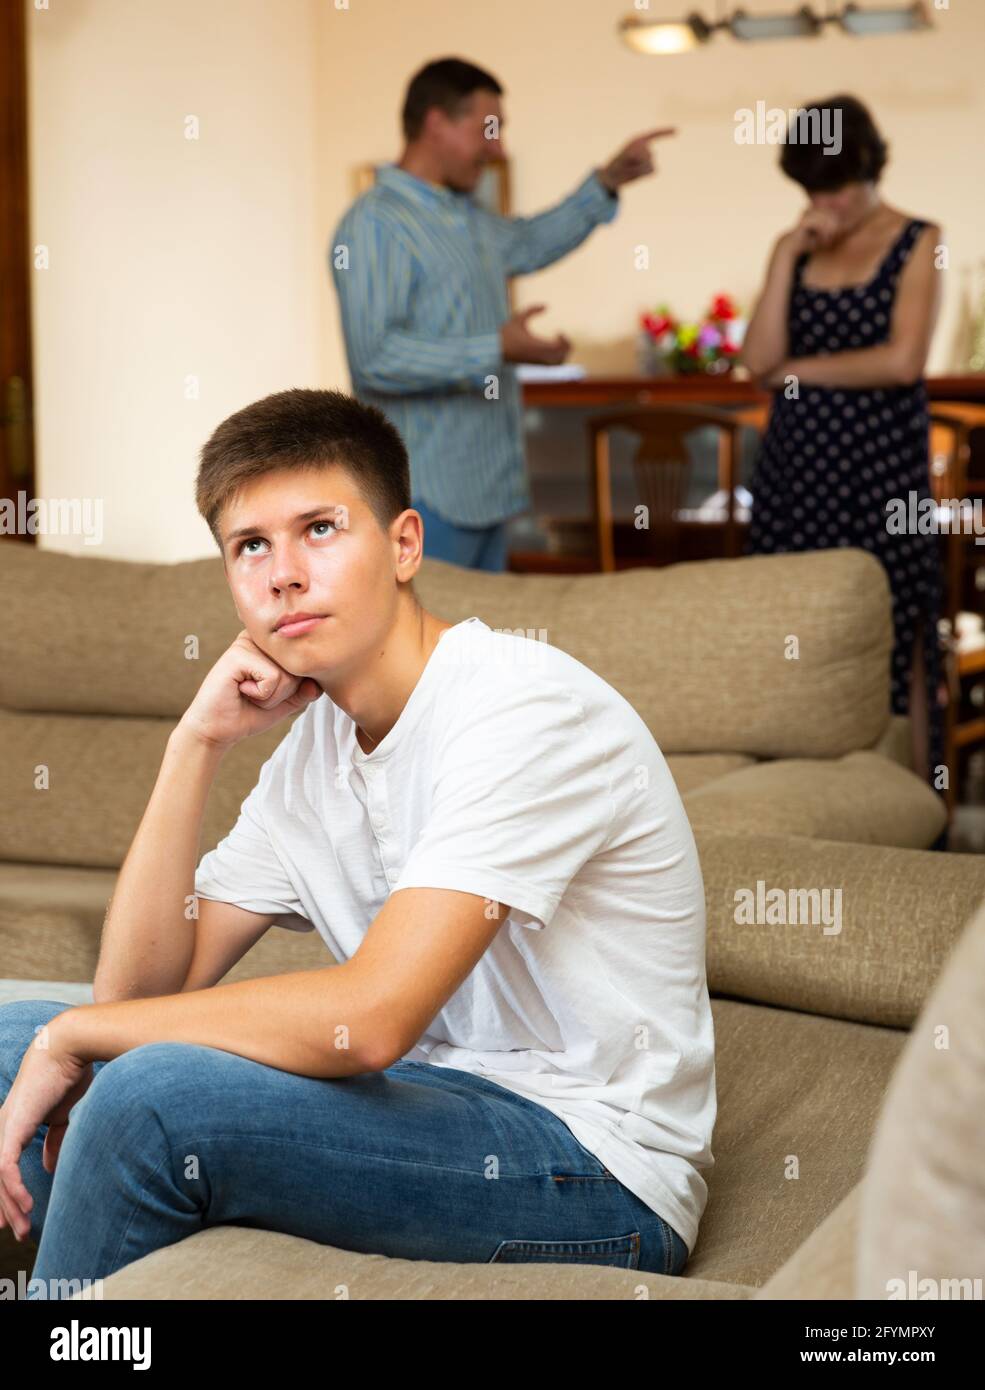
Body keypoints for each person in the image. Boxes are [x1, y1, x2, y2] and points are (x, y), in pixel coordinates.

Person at [0, 389, 715, 1292]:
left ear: (405, 544)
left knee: (149, 1100)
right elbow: (133, 1001)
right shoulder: (314, 752)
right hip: (426, 1108)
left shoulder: (522, 708)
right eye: (250, 546)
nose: (282, 574)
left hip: (594, 1168)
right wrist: (196, 744)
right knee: (8, 1041)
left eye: (320, 529)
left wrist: (80, 1035)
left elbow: (372, 1018)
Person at [330, 56, 673, 572]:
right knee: (429, 654)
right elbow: (375, 358)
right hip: (426, 501)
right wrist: (498, 347)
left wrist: (605, 181)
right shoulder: (376, 224)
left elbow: (532, 240)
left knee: (477, 652)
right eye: (488, 129)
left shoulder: (466, 218)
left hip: (489, 494)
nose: (499, 148)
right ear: (436, 122)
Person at [740, 94, 945, 792]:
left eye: (836, 187)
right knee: (791, 620)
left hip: (880, 465)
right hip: (796, 465)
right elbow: (757, 360)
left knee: (896, 624)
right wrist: (784, 258)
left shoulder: (919, 238)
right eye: (813, 190)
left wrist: (800, 372)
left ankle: (916, 803)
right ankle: (797, 789)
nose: (827, 202)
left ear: (867, 167)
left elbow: (900, 362)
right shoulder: (791, 249)